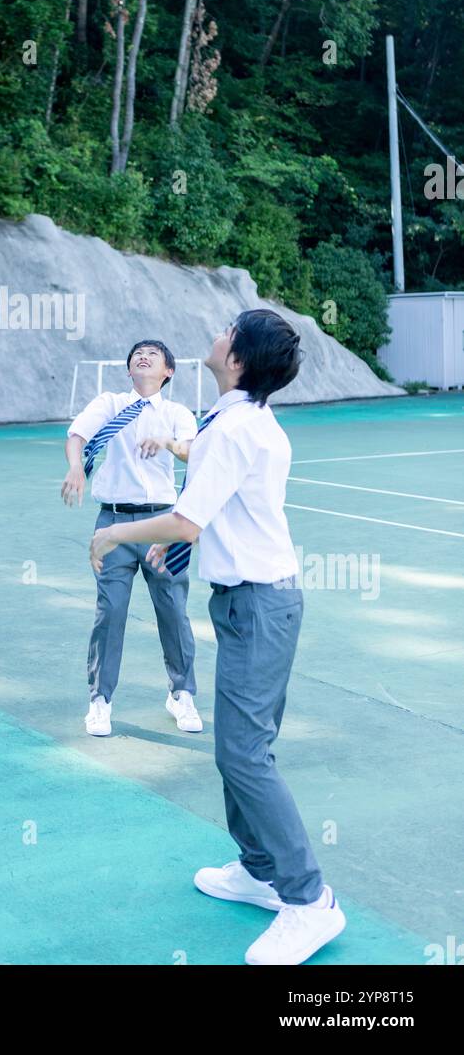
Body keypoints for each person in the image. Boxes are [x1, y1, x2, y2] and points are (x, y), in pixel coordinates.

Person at [89, 310, 346, 967]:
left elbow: (186, 522)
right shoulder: (230, 420)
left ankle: (309, 900)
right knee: (240, 748)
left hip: (259, 604)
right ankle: (259, 871)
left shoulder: (233, 429)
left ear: (238, 357)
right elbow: (208, 485)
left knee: (244, 755)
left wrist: (113, 534)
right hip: (246, 603)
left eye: (230, 328)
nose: (218, 331)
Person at [63, 340, 200, 738]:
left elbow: (192, 451)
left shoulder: (176, 413)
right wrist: (75, 468)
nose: (143, 356)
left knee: (173, 610)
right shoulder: (110, 404)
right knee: (111, 612)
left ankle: (181, 693)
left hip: (164, 523)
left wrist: (168, 442)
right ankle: (100, 700)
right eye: (137, 354)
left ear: (168, 371)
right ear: (129, 370)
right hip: (114, 524)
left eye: (153, 355)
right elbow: (78, 436)